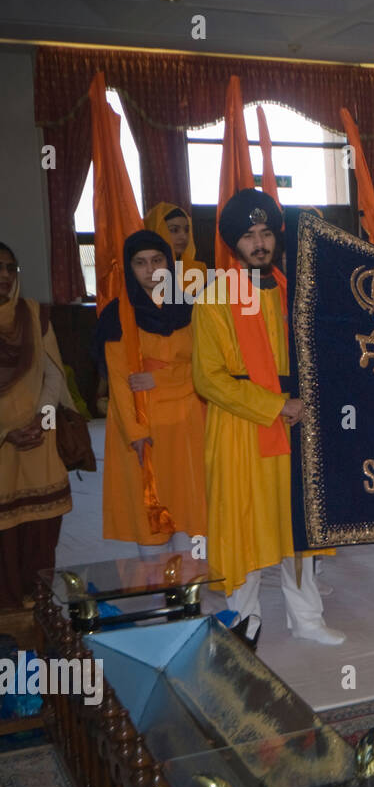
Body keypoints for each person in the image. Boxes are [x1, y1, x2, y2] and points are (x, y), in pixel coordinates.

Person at [192, 188, 341, 647]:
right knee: (246, 526)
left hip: (297, 428)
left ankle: (307, 619)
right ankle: (244, 620)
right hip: (243, 429)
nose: (259, 243)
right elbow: (209, 379)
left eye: (265, 233)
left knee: (296, 524)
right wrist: (276, 405)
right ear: (232, 243)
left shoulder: (295, 292)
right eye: (248, 236)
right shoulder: (215, 296)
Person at [96, 230, 207, 557]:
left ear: (168, 264)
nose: (150, 269)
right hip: (146, 428)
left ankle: (190, 597)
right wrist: (136, 433)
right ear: (129, 269)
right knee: (152, 514)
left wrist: (162, 378)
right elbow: (119, 381)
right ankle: (161, 595)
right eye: (140, 263)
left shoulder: (192, 307)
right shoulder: (117, 316)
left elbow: (208, 367)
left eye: (157, 260)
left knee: (191, 515)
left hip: (189, 420)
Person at [0, 243, 72, 610]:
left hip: (38, 440)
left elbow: (53, 374)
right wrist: (6, 433)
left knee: (42, 531)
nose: (4, 276)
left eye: (10, 268)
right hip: (2, 448)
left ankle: (37, 606)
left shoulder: (34, 315)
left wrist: (42, 421)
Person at [143, 202, 207, 277]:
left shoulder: (197, 270)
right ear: (157, 231)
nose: (184, 236)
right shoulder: (142, 271)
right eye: (174, 230)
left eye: (186, 230)